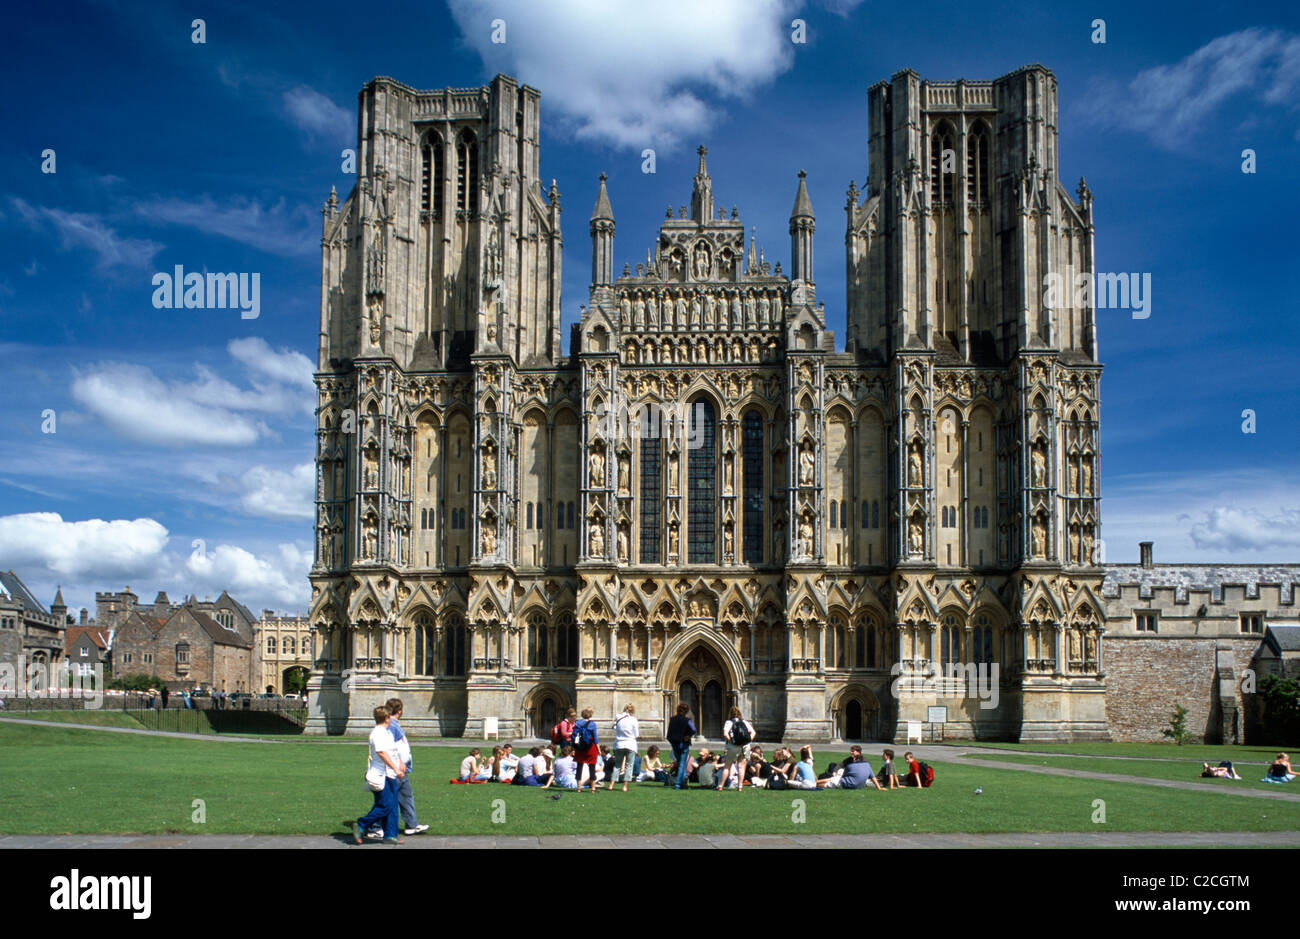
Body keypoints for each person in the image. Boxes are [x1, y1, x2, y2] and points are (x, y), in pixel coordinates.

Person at [353, 706, 405, 845]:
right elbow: (382, 752)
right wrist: (395, 767)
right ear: (387, 718)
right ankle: (362, 824)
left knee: (393, 806)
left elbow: (392, 751)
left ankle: (390, 834)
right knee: (385, 805)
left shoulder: (386, 733)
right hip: (382, 774)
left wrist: (399, 762)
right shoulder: (378, 733)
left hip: (390, 774)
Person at [386, 698, 428, 834]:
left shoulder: (393, 724)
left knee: (406, 796)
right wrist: (398, 762)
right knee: (387, 800)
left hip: (401, 769)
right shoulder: (391, 725)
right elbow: (389, 746)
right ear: (400, 711)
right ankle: (373, 826)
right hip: (396, 769)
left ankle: (411, 824)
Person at [718, 707, 755, 790]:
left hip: (733, 747)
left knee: (727, 766)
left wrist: (732, 741)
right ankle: (740, 786)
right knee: (741, 767)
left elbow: (725, 733)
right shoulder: (745, 722)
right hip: (745, 746)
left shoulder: (729, 722)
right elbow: (753, 732)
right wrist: (748, 741)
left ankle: (720, 786)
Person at [666, 703, 697, 790]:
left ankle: (684, 779)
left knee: (680, 763)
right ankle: (678, 784)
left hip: (674, 743)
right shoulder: (687, 720)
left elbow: (669, 733)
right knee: (682, 764)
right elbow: (693, 729)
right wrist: (688, 735)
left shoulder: (672, 719)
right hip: (683, 744)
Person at [610, 703, 639, 791]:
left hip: (619, 744)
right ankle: (625, 786)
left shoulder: (618, 718)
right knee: (629, 766)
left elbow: (615, 728)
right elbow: (636, 734)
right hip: (630, 744)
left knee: (617, 765)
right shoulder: (633, 720)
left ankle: (611, 785)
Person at [572, 708, 601, 792]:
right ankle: (593, 788)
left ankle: (579, 788)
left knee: (579, 767)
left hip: (579, 747)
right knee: (592, 767)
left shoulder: (577, 723)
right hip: (590, 747)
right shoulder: (592, 724)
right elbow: (595, 738)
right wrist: (598, 749)